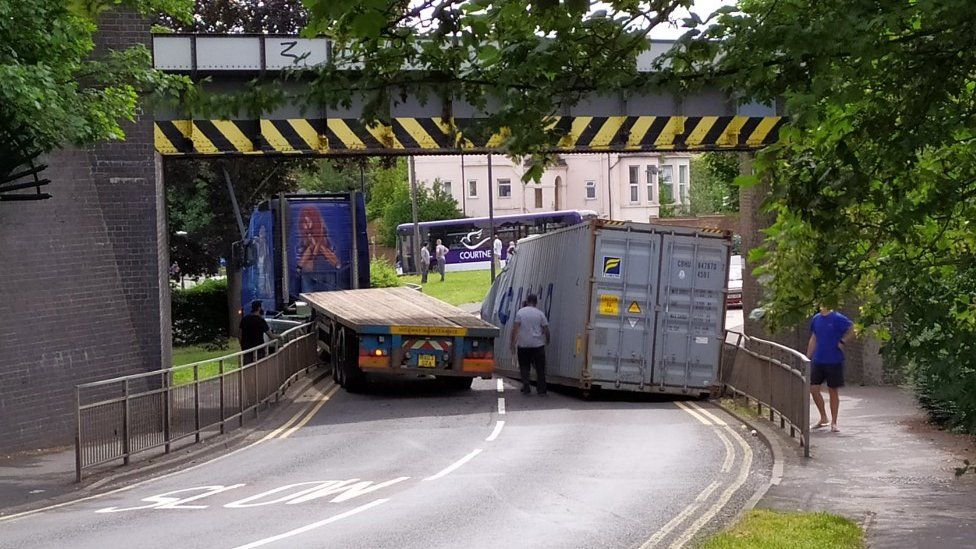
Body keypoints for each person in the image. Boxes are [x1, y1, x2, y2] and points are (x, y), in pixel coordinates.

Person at [807, 304, 854, 432]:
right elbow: (814, 337)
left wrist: (843, 341)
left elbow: (853, 328)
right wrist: (808, 356)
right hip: (818, 359)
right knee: (813, 388)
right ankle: (823, 417)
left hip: (834, 360)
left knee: (832, 391)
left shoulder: (838, 318)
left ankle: (834, 422)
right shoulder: (816, 319)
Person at [511, 294, 549, 395]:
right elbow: (546, 329)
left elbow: (515, 329)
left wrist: (512, 343)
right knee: (540, 368)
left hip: (523, 344)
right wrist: (547, 340)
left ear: (527, 301)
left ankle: (526, 386)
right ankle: (541, 389)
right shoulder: (540, 314)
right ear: (536, 302)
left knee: (524, 366)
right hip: (538, 345)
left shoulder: (520, 313)